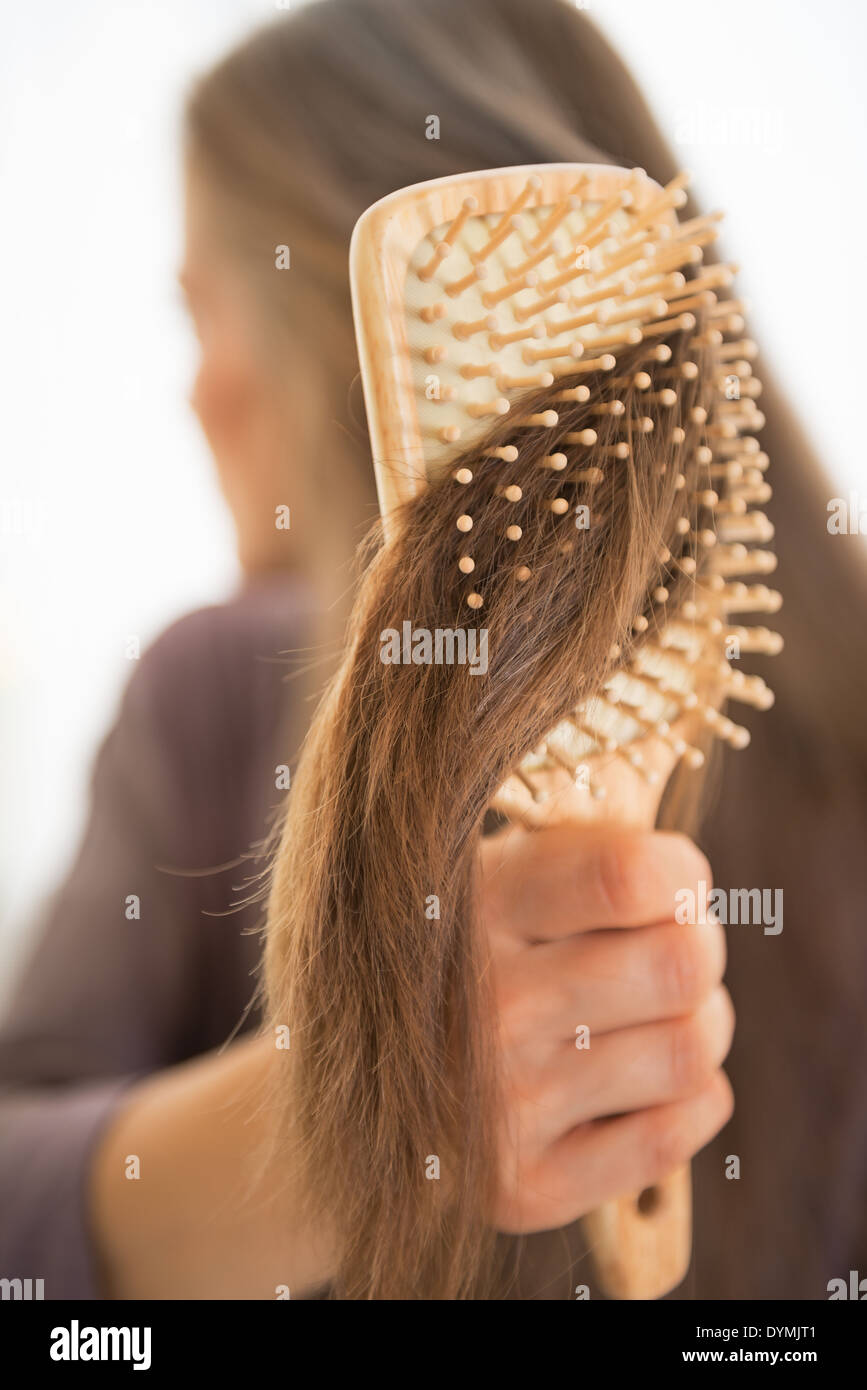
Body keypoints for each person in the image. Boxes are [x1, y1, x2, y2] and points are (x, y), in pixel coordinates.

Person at [1, 0, 865, 1300]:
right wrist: (354, 1111)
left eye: (205, 316)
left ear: (357, 346)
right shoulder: (208, 698)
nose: (195, 391)